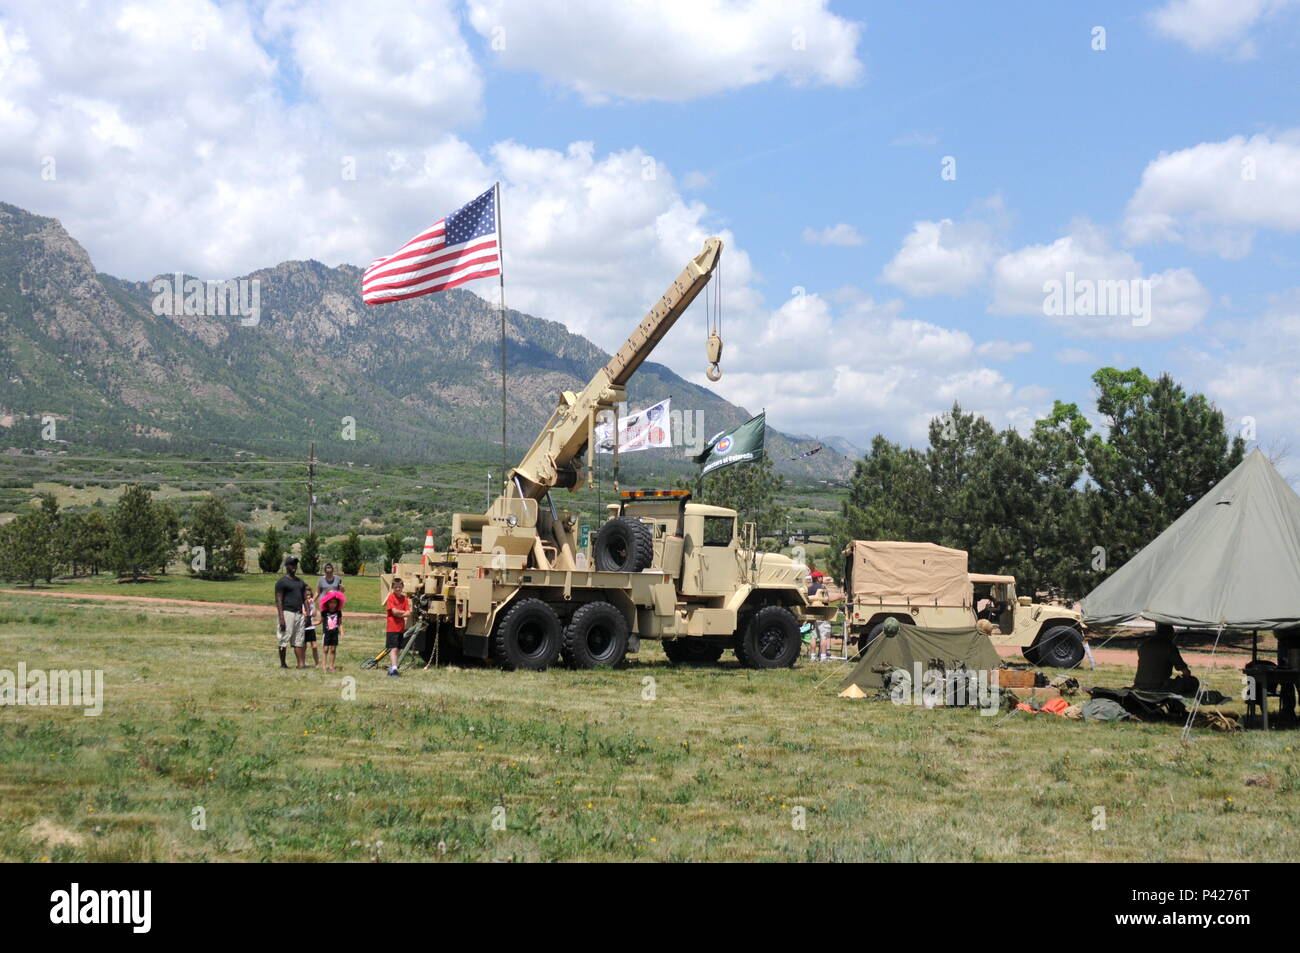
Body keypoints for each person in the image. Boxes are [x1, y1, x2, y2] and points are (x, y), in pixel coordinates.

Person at [1133, 622, 1198, 696]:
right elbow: (1186, 672)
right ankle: (1177, 705)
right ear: (1170, 634)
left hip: (1138, 685)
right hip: (1159, 687)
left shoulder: (1143, 645)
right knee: (1193, 682)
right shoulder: (1169, 646)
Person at [275, 556, 309, 669]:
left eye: (295, 565)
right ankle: (283, 664)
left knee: (299, 639)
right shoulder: (282, 582)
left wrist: (307, 613)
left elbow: (305, 598)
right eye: (291, 564)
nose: (294, 567)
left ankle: (300, 663)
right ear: (286, 566)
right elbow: (279, 600)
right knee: (284, 638)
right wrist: (281, 618)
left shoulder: (300, 582)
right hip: (287, 612)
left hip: (299, 613)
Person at [384, 577, 412, 677]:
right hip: (392, 628)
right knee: (394, 648)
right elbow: (394, 612)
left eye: (399, 587)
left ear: (402, 587)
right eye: (396, 587)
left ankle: (391, 669)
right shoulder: (391, 597)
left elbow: (409, 613)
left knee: (398, 649)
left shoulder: (404, 599)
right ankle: (395, 669)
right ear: (392, 588)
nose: (398, 589)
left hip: (400, 628)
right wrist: (403, 613)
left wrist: (400, 613)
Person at [320, 590, 344, 672]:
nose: (332, 604)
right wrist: (311, 623)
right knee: (325, 649)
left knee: (333, 650)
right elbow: (320, 621)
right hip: (326, 633)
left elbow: (340, 623)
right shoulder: (324, 612)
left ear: (337, 603)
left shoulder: (338, 612)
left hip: (334, 633)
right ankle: (323, 666)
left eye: (334, 602)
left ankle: (331, 666)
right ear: (327, 603)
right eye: (330, 602)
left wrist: (341, 631)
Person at [302, 586, 320, 668]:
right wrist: (307, 605)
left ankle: (317, 664)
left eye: (309, 594)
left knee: (314, 646)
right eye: (306, 594)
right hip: (303, 627)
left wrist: (313, 604)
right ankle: (303, 663)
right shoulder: (301, 603)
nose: (308, 596)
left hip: (311, 627)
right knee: (304, 646)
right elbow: (305, 614)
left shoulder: (312, 602)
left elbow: (314, 614)